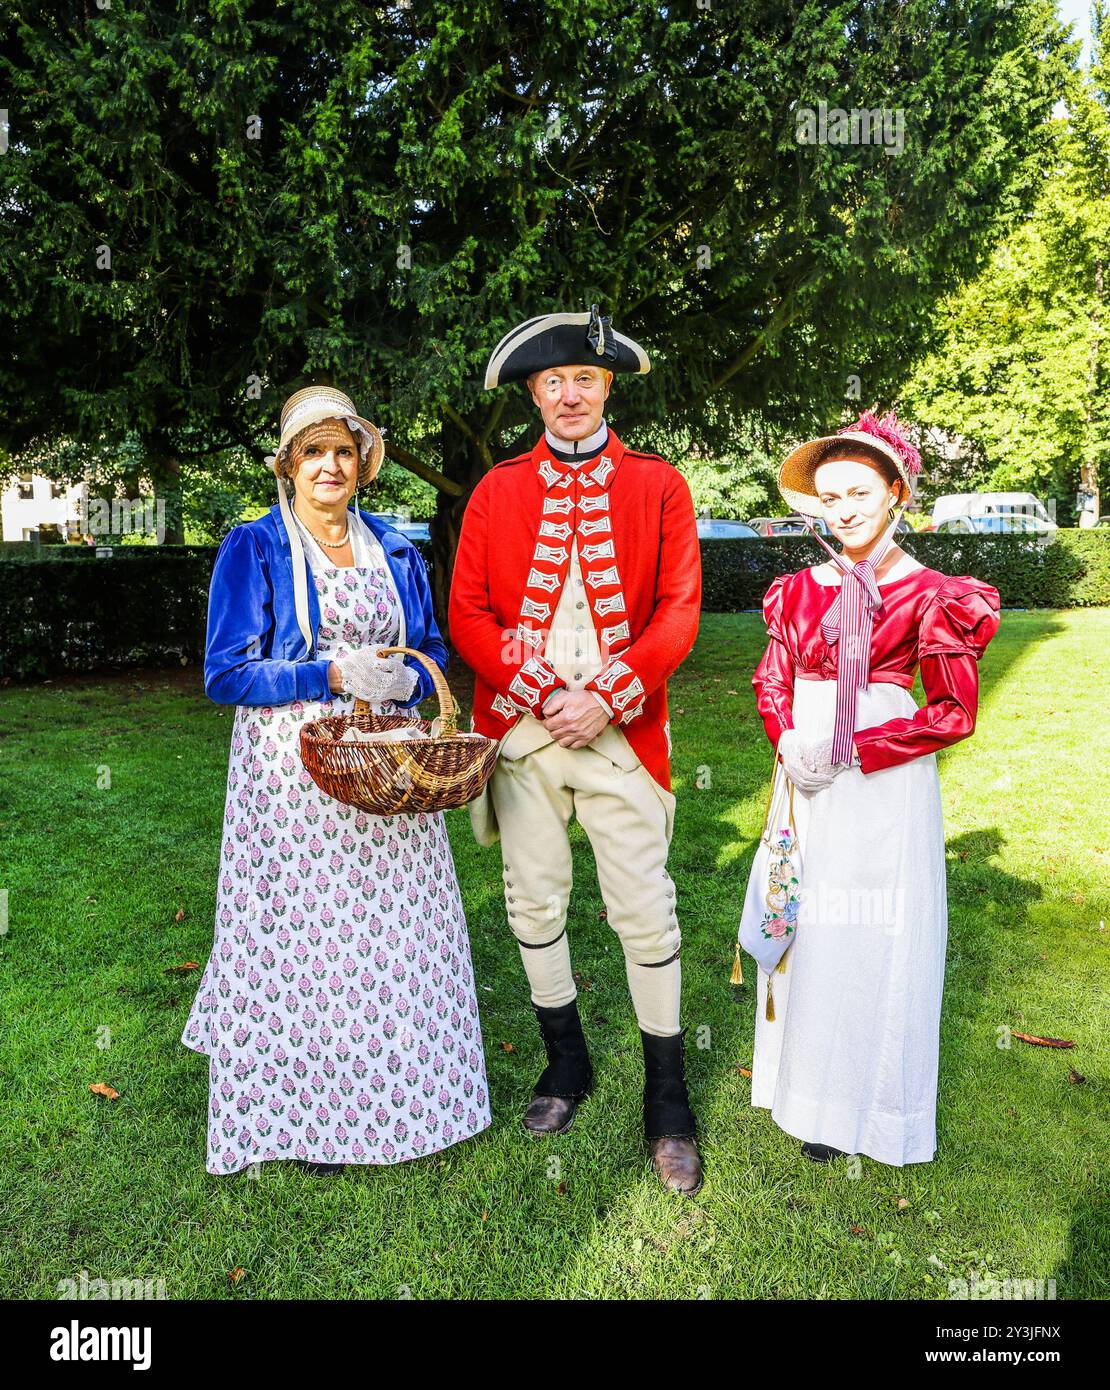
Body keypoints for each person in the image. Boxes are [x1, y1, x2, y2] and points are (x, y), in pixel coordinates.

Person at [182, 385, 491, 1175]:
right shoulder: (254, 547)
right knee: (310, 941)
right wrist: (327, 673)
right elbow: (225, 673)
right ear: (288, 466)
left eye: (343, 452)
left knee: (395, 934)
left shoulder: (394, 547)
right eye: (313, 452)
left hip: (389, 760)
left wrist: (408, 682)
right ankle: (310, 1111)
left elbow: (430, 648)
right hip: (294, 770)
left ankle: (410, 1091)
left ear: (362, 465)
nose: (330, 466)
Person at [449, 307, 704, 1194]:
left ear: (606, 388)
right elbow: (467, 614)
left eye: (584, 379)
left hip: (619, 734)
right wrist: (542, 692)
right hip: (525, 732)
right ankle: (567, 1063)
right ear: (533, 393)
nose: (569, 395)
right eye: (553, 381)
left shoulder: (660, 485)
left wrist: (605, 696)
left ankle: (667, 1099)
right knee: (532, 902)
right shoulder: (496, 491)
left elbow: (678, 610)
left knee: (645, 909)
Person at [742, 409, 1000, 1166]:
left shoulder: (932, 594)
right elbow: (772, 677)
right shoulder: (796, 591)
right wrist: (786, 736)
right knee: (808, 920)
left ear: (896, 493)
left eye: (859, 492)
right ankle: (807, 1093)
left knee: (869, 931)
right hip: (804, 773)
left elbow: (952, 712)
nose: (844, 510)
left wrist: (853, 748)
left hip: (881, 783)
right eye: (830, 497)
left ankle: (870, 1102)